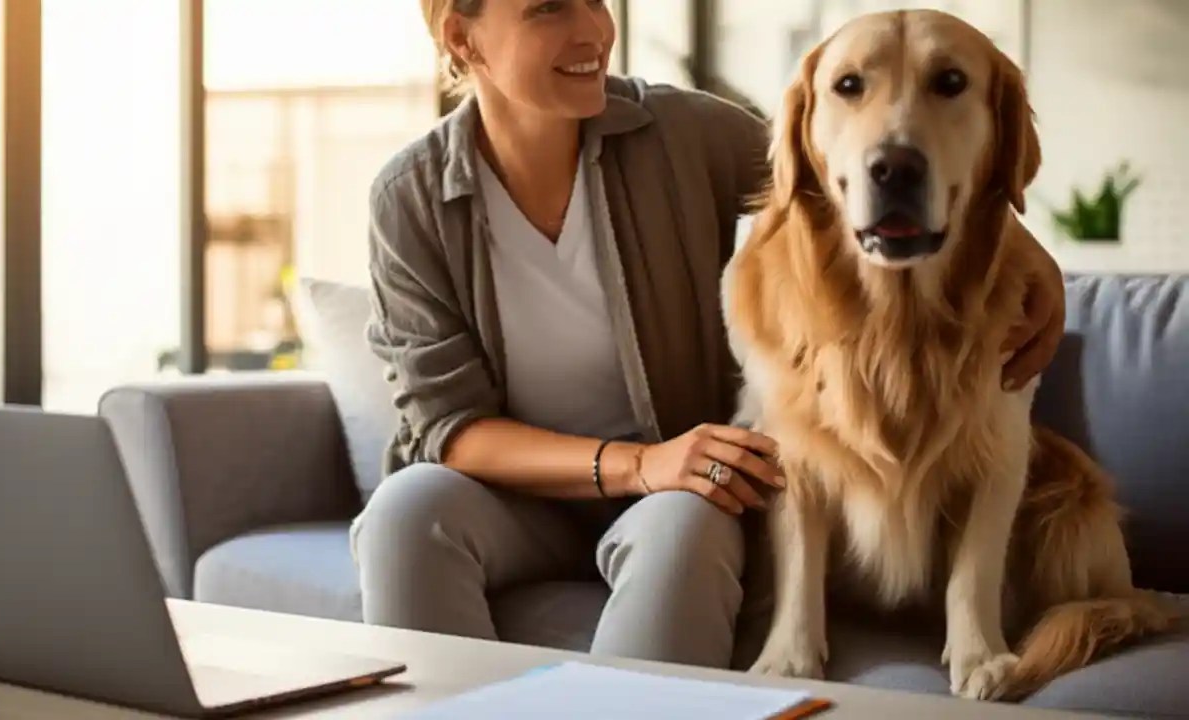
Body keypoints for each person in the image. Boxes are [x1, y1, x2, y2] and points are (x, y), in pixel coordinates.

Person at [350, 0, 1066, 670]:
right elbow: (451, 428)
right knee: (406, 512)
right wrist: (637, 463)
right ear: (462, 39)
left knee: (687, 531)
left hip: (680, 495)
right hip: (517, 498)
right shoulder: (407, 200)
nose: (593, 30)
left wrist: (1033, 259)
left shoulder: (681, 132)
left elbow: (845, 164)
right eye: (548, 7)